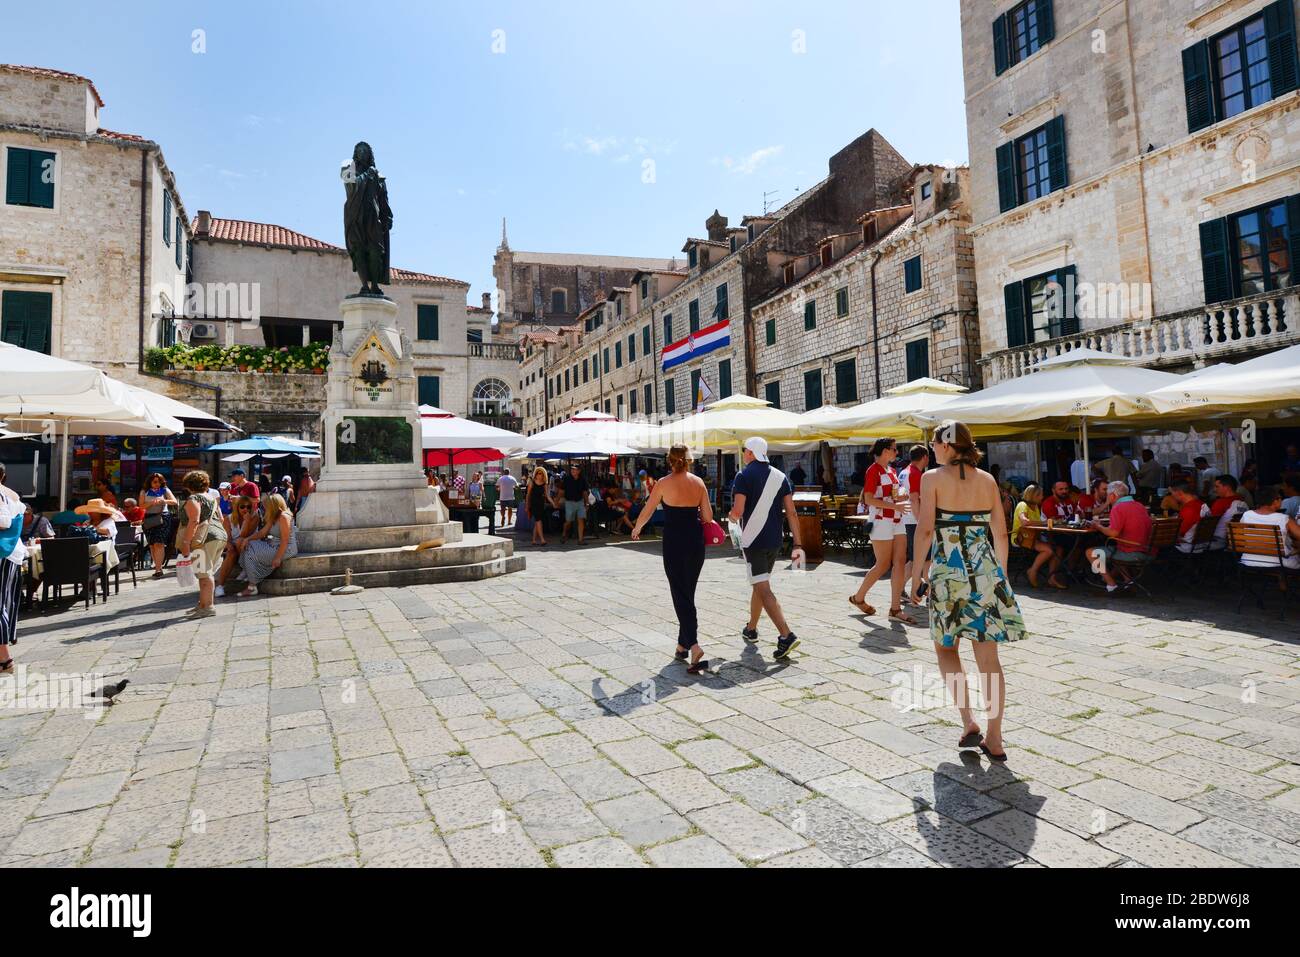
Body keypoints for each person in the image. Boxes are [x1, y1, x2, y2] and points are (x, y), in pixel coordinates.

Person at [910, 421, 1026, 763]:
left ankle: (967, 720)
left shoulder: (931, 478)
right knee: (989, 660)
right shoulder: (988, 480)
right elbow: (1001, 535)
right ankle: (996, 735)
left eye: (933, 443)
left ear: (946, 446)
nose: (932, 449)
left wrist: (916, 574)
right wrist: (1000, 577)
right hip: (985, 571)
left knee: (946, 649)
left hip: (948, 572)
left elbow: (926, 529)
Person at [631, 444, 713, 673]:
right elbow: (707, 517)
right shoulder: (698, 483)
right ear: (688, 460)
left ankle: (694, 645)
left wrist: (637, 528)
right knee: (687, 592)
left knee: (680, 594)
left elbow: (648, 509)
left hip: (674, 542)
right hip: (695, 543)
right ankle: (681, 646)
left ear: (669, 460)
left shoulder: (663, 484)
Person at [728, 437, 805, 661]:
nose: (744, 454)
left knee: (763, 588)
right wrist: (798, 543)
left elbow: (738, 511)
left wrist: (731, 519)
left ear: (751, 452)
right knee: (760, 583)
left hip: (753, 540)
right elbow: (791, 512)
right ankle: (751, 628)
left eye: (745, 450)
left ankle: (786, 635)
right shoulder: (780, 476)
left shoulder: (743, 476)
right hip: (774, 540)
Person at [851, 438, 913, 624]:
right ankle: (859, 597)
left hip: (896, 518)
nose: (897, 453)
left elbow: (891, 494)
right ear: (885, 451)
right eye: (895, 450)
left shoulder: (892, 470)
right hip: (881, 521)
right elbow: (868, 499)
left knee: (900, 562)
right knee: (883, 564)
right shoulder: (873, 470)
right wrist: (895, 505)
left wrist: (901, 496)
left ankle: (895, 608)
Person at [176, 471, 228, 618]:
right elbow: (221, 518)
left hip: (203, 539)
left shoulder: (193, 498)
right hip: (218, 536)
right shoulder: (211, 498)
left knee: (204, 574)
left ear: (188, 484)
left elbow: (194, 520)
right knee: (205, 572)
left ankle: (208, 607)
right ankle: (203, 604)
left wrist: (186, 542)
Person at [1088, 481, 1154, 594]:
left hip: (1133, 552)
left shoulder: (1118, 508)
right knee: (1116, 547)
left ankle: (1111, 584)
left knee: (1090, 552)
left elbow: (1113, 533)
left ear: (1113, 495)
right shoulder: (1140, 505)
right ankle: (1129, 581)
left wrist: (1098, 526)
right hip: (1147, 550)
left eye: (1109, 495)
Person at [236, 493, 297, 597]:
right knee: (247, 545)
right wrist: (247, 539)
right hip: (274, 545)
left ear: (273, 505)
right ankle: (250, 577)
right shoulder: (274, 516)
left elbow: (285, 540)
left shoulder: (283, 517)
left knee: (250, 550)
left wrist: (277, 558)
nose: (264, 507)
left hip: (286, 549)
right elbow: (262, 533)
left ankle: (251, 583)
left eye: (266, 505)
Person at [0, 466, 26, 675]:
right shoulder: (12, 493)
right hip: (12, 552)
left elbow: (4, 521)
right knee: (6, 602)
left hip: (3, 553)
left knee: (0, 604)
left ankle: (5, 659)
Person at [1238, 486, 1300, 570]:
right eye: (1280, 498)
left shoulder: (1246, 515)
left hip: (1249, 559)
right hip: (1279, 562)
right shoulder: (1284, 519)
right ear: (1275, 501)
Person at [898, 444, 931, 604]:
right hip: (914, 521)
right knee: (917, 559)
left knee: (917, 559)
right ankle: (905, 590)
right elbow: (914, 497)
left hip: (906, 519)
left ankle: (922, 590)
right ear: (924, 457)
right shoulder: (915, 473)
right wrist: (921, 522)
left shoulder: (903, 472)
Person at [1013, 484, 1060, 589]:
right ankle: (1032, 570)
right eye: (1040, 495)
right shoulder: (1022, 505)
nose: (1042, 497)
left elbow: (1037, 523)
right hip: (1022, 538)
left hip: (1033, 537)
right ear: (1033, 495)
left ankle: (1052, 577)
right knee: (1049, 550)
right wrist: (1044, 523)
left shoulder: (1035, 507)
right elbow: (1024, 522)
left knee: (1058, 548)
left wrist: (1044, 523)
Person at [1038, 479, 1077, 589]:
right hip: (1049, 534)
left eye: (1066, 489)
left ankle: (1071, 571)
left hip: (1067, 532)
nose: (1064, 491)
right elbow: (1053, 520)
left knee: (1084, 542)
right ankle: (1052, 577)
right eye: (1061, 489)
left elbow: (1077, 514)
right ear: (1053, 490)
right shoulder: (1049, 502)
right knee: (1060, 546)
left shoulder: (1069, 501)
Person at [140, 472, 178, 578]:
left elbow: (174, 502)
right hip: (149, 518)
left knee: (159, 543)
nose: (158, 484)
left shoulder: (165, 490)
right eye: (155, 482)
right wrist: (152, 503)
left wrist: (163, 500)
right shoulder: (145, 491)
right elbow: (141, 506)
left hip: (163, 517)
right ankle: (157, 565)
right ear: (150, 482)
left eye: (160, 482)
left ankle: (158, 569)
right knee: (152, 544)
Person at [1170, 480, 1210, 553]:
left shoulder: (1189, 509)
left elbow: (1178, 533)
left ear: (1179, 493)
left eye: (1172, 493)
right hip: (1202, 545)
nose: (1171, 496)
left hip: (1185, 547)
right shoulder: (1202, 504)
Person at [1208, 475, 1247, 550]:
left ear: (1227, 487)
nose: (1214, 489)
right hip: (1233, 539)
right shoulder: (1242, 501)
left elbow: (1209, 525)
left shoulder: (1221, 503)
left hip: (1217, 540)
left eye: (1217, 487)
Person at [561, 462, 590, 544]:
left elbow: (585, 492)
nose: (573, 471)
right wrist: (556, 500)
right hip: (569, 502)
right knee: (568, 521)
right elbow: (561, 491)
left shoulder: (582, 479)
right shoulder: (567, 479)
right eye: (572, 469)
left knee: (581, 520)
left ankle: (580, 540)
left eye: (575, 469)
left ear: (579, 471)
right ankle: (564, 533)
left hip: (580, 501)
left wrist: (587, 503)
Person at [525, 466, 552, 547]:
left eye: (541, 473)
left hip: (541, 504)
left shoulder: (544, 484)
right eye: (538, 473)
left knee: (538, 521)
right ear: (535, 474)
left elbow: (547, 495)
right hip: (534, 504)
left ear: (544, 475)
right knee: (539, 520)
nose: (539, 475)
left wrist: (553, 503)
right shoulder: (531, 482)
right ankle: (542, 539)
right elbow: (528, 495)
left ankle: (533, 540)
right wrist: (527, 506)